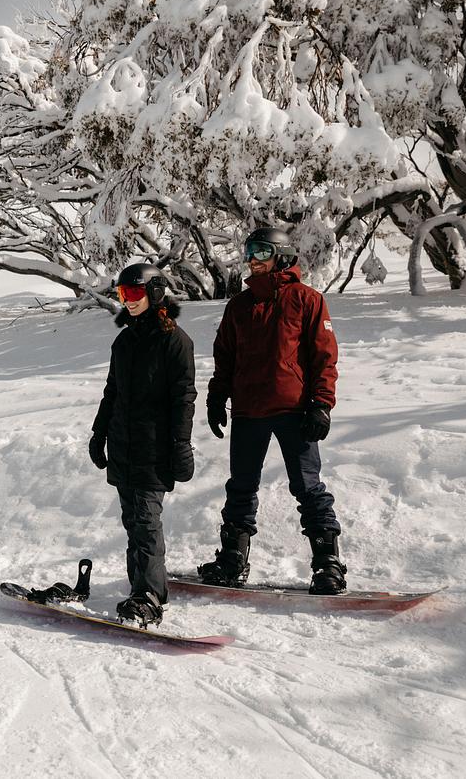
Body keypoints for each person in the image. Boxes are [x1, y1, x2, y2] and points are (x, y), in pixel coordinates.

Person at [198, 227, 346, 595]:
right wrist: (216, 398)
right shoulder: (239, 307)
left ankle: (328, 564)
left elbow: (324, 357)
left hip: (294, 411)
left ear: (281, 255)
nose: (252, 258)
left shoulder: (307, 299)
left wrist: (321, 405)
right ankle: (233, 559)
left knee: (308, 487)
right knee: (241, 488)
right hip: (248, 411)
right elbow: (225, 359)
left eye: (261, 251)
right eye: (249, 251)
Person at [88, 263, 196, 627]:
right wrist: (98, 433)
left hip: (155, 447)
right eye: (122, 295)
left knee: (148, 521)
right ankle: (139, 585)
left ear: (155, 293)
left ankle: (151, 595)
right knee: (132, 520)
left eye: (134, 294)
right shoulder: (124, 341)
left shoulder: (175, 341)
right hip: (123, 445)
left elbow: (184, 398)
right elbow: (112, 392)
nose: (128, 302)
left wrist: (182, 446)